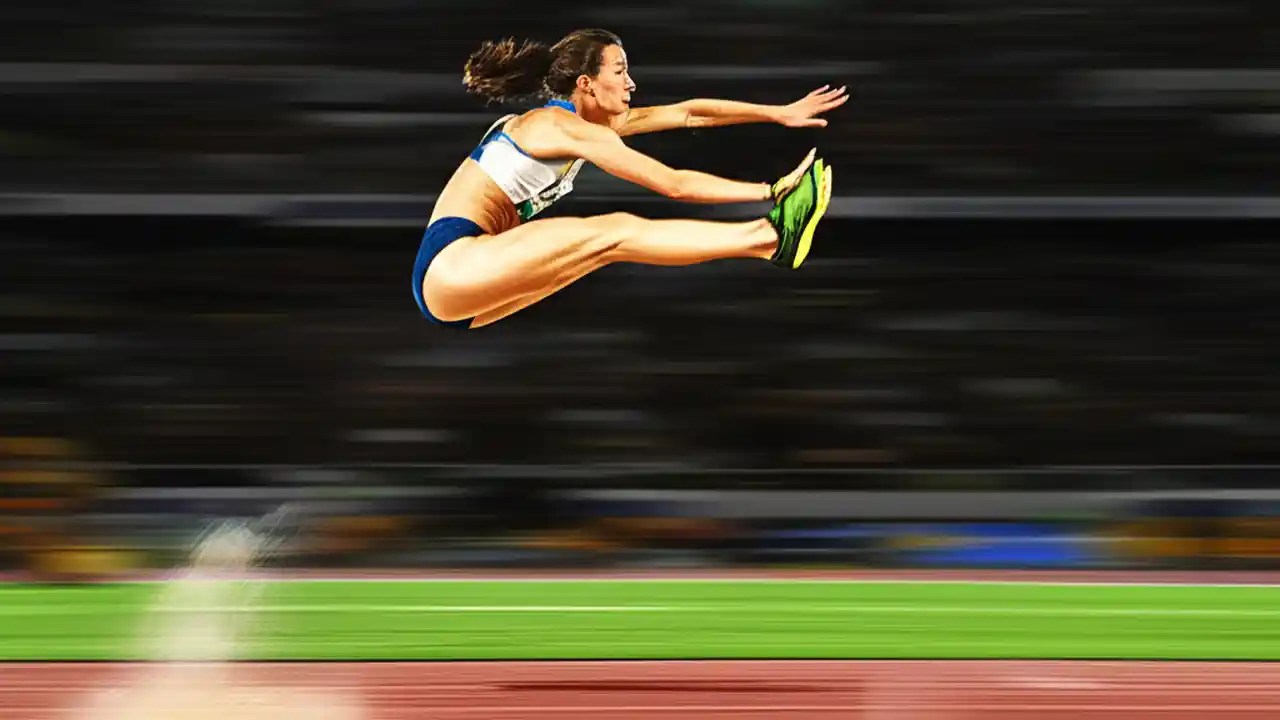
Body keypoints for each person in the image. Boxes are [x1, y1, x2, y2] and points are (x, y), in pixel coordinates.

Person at [413, 28, 846, 329]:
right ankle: (769, 237)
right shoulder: (558, 128)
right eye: (619, 71)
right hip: (452, 265)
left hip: (471, 292)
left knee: (603, 250)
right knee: (614, 230)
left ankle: (770, 237)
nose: (631, 83)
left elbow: (688, 112)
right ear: (586, 83)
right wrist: (769, 191)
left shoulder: (583, 128)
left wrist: (777, 112)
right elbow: (672, 183)